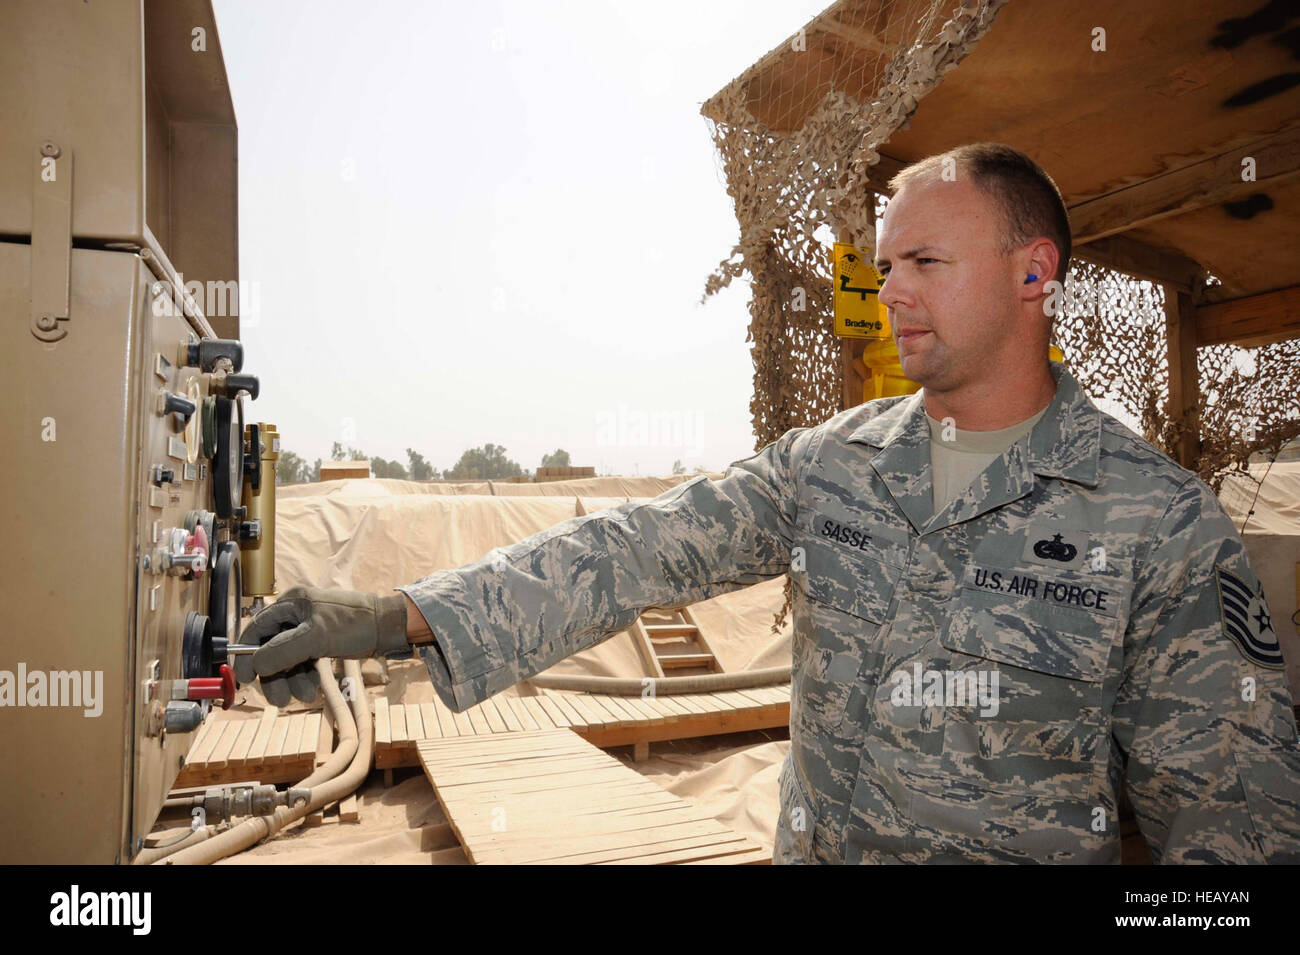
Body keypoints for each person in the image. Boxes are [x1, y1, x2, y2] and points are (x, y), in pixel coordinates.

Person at [234, 143, 1300, 864]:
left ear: (1033, 274)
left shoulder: (1156, 524)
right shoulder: (829, 464)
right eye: (886, 267)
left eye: (926, 261)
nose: (892, 293)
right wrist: (395, 614)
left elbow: (1233, 834)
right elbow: (632, 549)